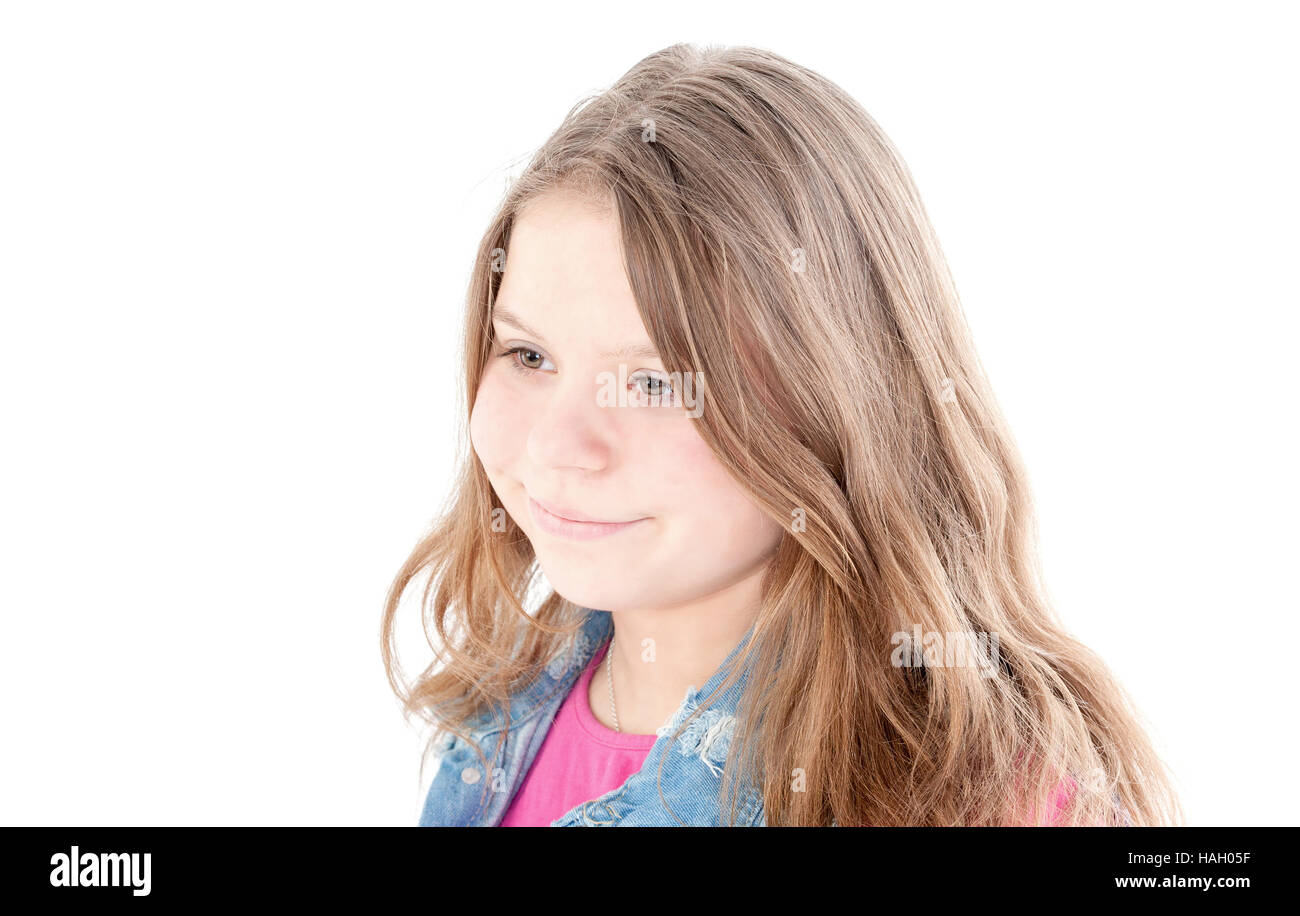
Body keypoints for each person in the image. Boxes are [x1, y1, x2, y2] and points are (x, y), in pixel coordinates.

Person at [380, 43, 1182, 827]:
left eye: (656, 383)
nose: (558, 446)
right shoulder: (498, 721)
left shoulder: (987, 799)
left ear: (833, 401)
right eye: (528, 354)